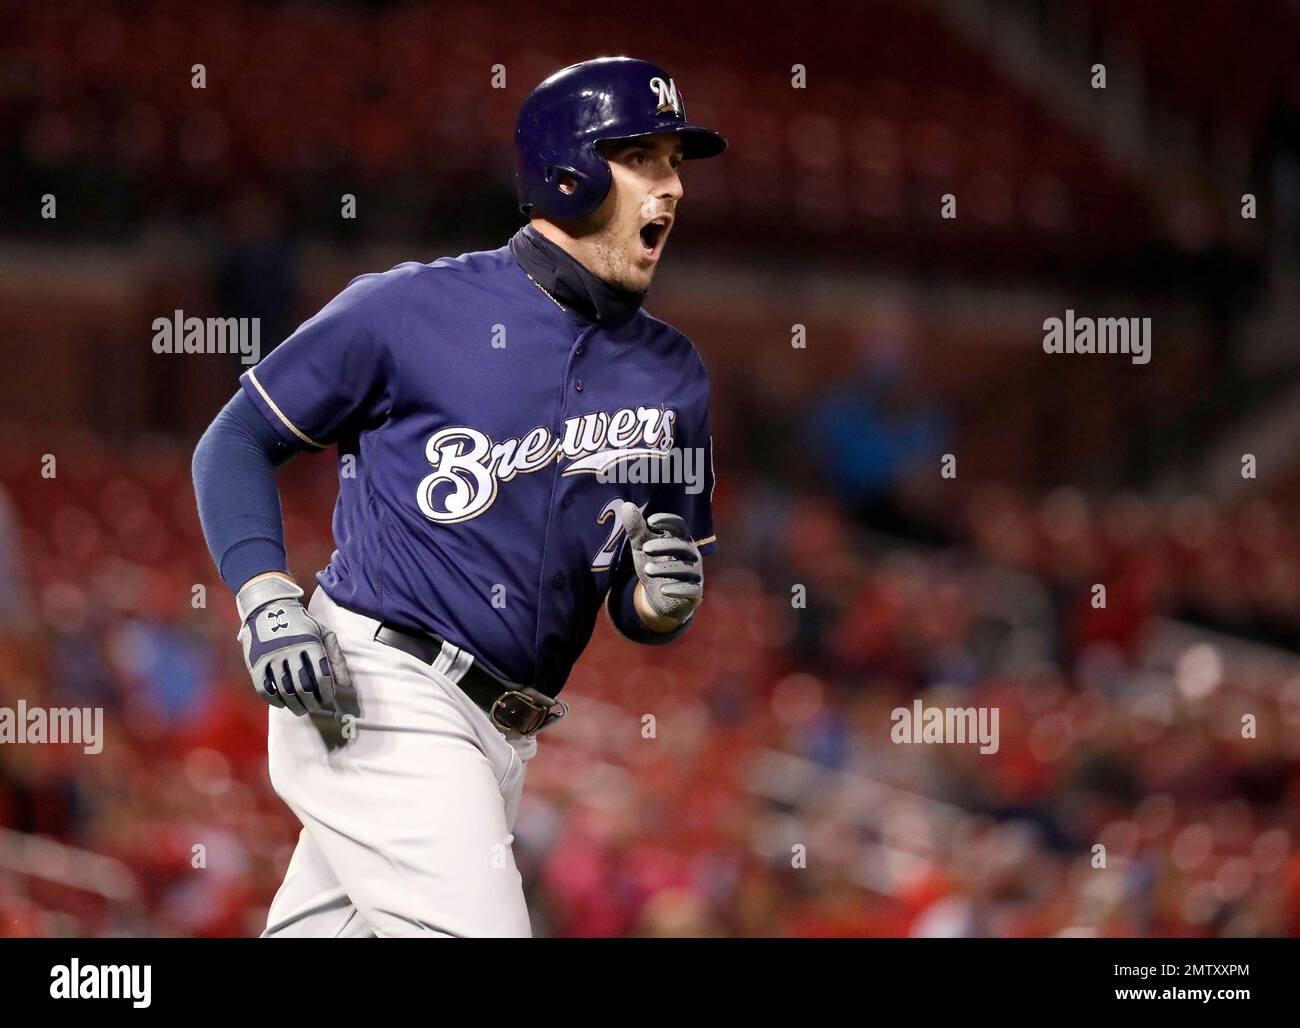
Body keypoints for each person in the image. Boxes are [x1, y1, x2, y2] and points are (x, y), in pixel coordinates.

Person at [191, 57, 726, 937]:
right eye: (646, 157)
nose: (672, 186)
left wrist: (655, 604)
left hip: (502, 733)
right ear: (572, 170)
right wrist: (264, 595)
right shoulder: (410, 308)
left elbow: (635, 593)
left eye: (676, 163)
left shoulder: (677, 376)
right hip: (379, 688)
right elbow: (235, 440)